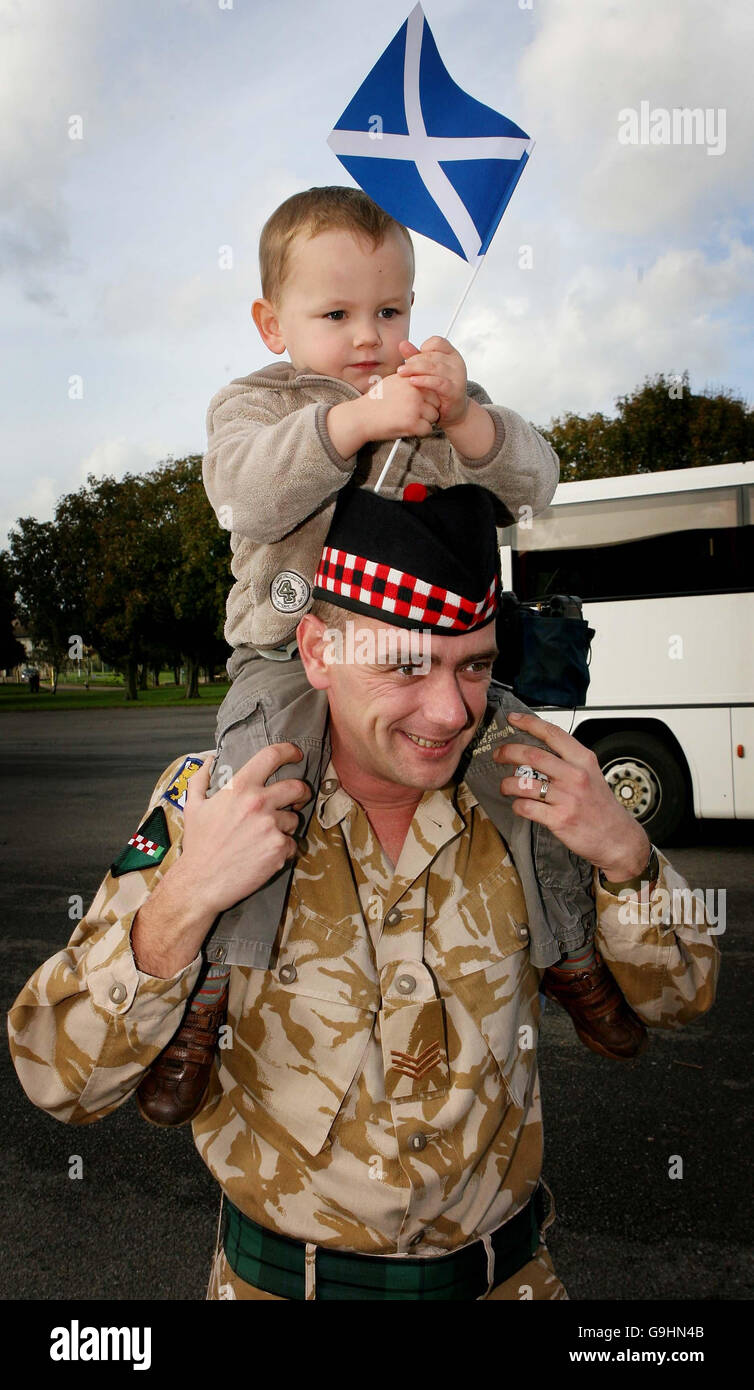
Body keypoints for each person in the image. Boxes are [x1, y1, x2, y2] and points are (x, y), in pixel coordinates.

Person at [8, 484, 720, 1301]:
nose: (451, 711)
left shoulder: (533, 801)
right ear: (317, 653)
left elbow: (683, 1000)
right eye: (405, 665)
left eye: (476, 665)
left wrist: (626, 852)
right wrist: (183, 903)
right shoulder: (212, 803)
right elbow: (57, 1080)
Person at [140, 186, 640, 1125]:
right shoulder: (257, 403)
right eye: (335, 314)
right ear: (269, 321)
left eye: (391, 309)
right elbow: (246, 498)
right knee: (257, 795)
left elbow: (538, 485)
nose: (369, 335)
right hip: (289, 655)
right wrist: (355, 423)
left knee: (530, 766)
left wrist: (466, 424)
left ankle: (570, 954)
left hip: (438, 660)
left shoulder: (438, 396)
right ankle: (207, 996)